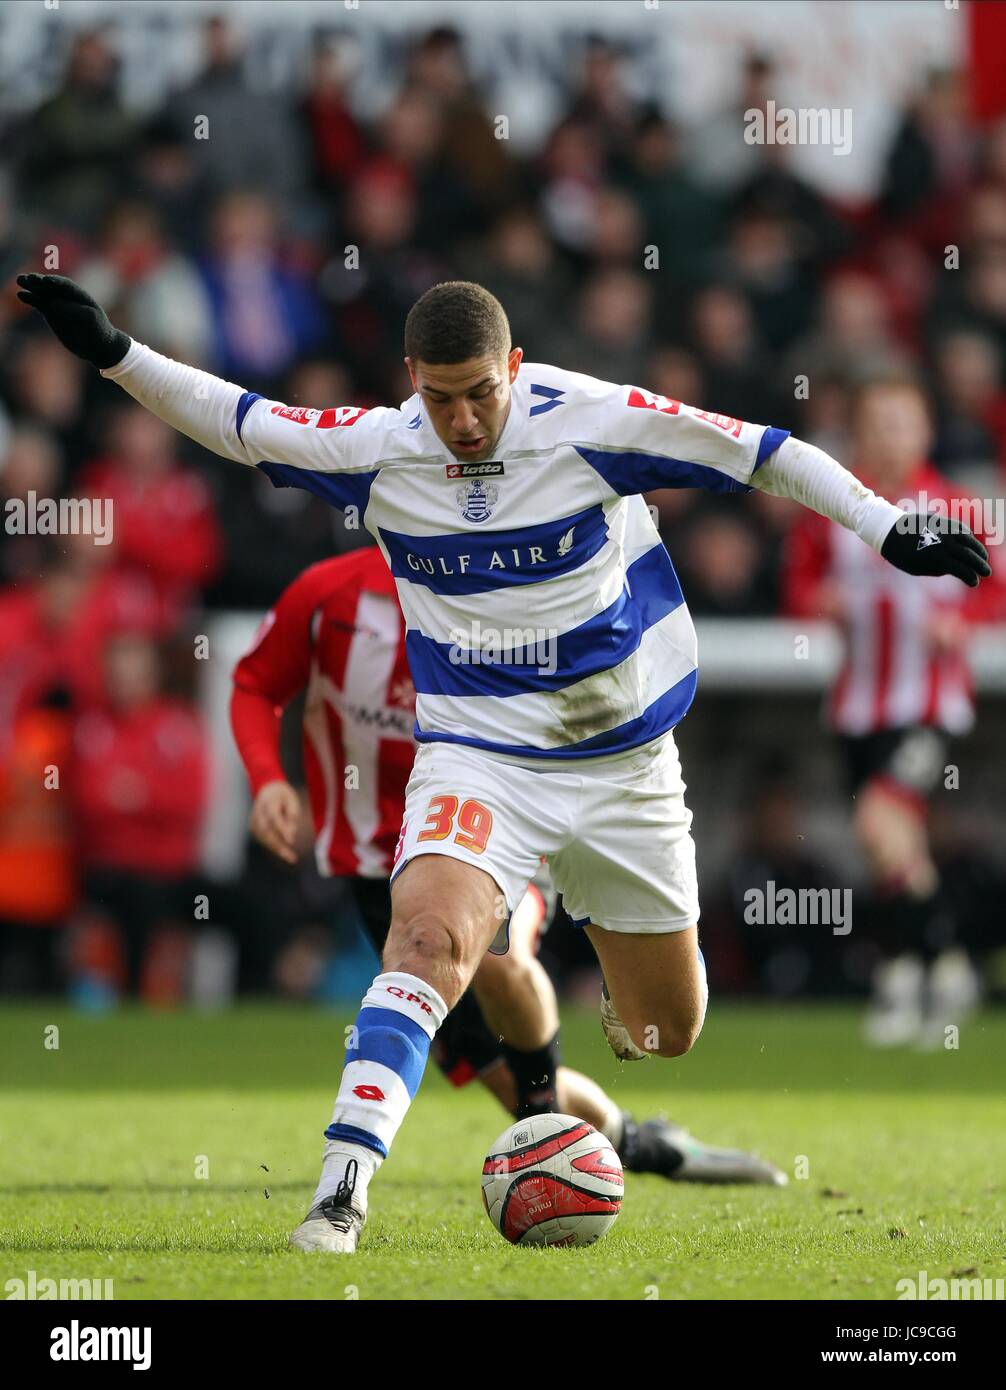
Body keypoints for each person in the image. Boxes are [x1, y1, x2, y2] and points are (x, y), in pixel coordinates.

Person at [17, 273, 990, 1254]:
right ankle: (339, 1194)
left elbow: (759, 452)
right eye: (440, 397)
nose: (464, 418)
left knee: (664, 1033)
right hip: (481, 754)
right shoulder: (381, 449)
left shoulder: (587, 421)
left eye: (481, 390)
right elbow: (236, 418)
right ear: (412, 382)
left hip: (624, 767)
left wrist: (884, 524)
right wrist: (112, 352)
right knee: (428, 946)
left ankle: (608, 970)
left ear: (513, 367)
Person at [230, 546, 786, 1184]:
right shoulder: (328, 594)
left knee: (500, 962)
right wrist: (268, 778)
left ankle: (633, 953)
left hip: (496, 835)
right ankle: (643, 1143)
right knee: (510, 1091)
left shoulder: (498, 593)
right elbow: (255, 683)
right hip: (375, 868)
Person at [782, 376, 998, 1045]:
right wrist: (820, 603)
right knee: (894, 849)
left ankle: (911, 974)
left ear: (926, 431)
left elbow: (992, 590)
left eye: (903, 423)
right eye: (877, 424)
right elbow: (799, 585)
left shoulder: (959, 505)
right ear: (858, 434)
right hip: (856, 706)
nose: (889, 437)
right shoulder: (837, 505)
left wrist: (966, 625)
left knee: (879, 823)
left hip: (929, 703)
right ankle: (939, 965)